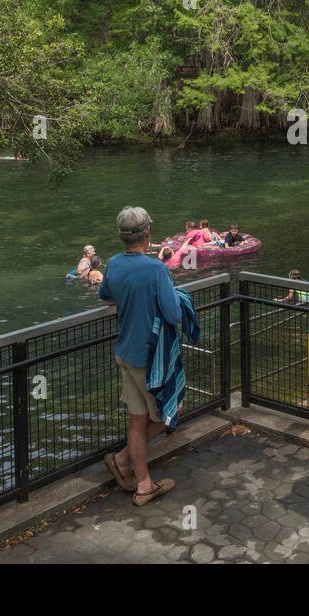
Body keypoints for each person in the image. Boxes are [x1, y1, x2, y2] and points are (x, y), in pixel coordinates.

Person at [98, 206, 180, 506]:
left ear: (120, 235)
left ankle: (139, 479)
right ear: (147, 233)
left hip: (125, 352)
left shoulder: (114, 264)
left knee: (137, 419)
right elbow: (172, 313)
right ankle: (124, 461)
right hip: (149, 356)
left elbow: (105, 295)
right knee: (171, 410)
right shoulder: (156, 269)